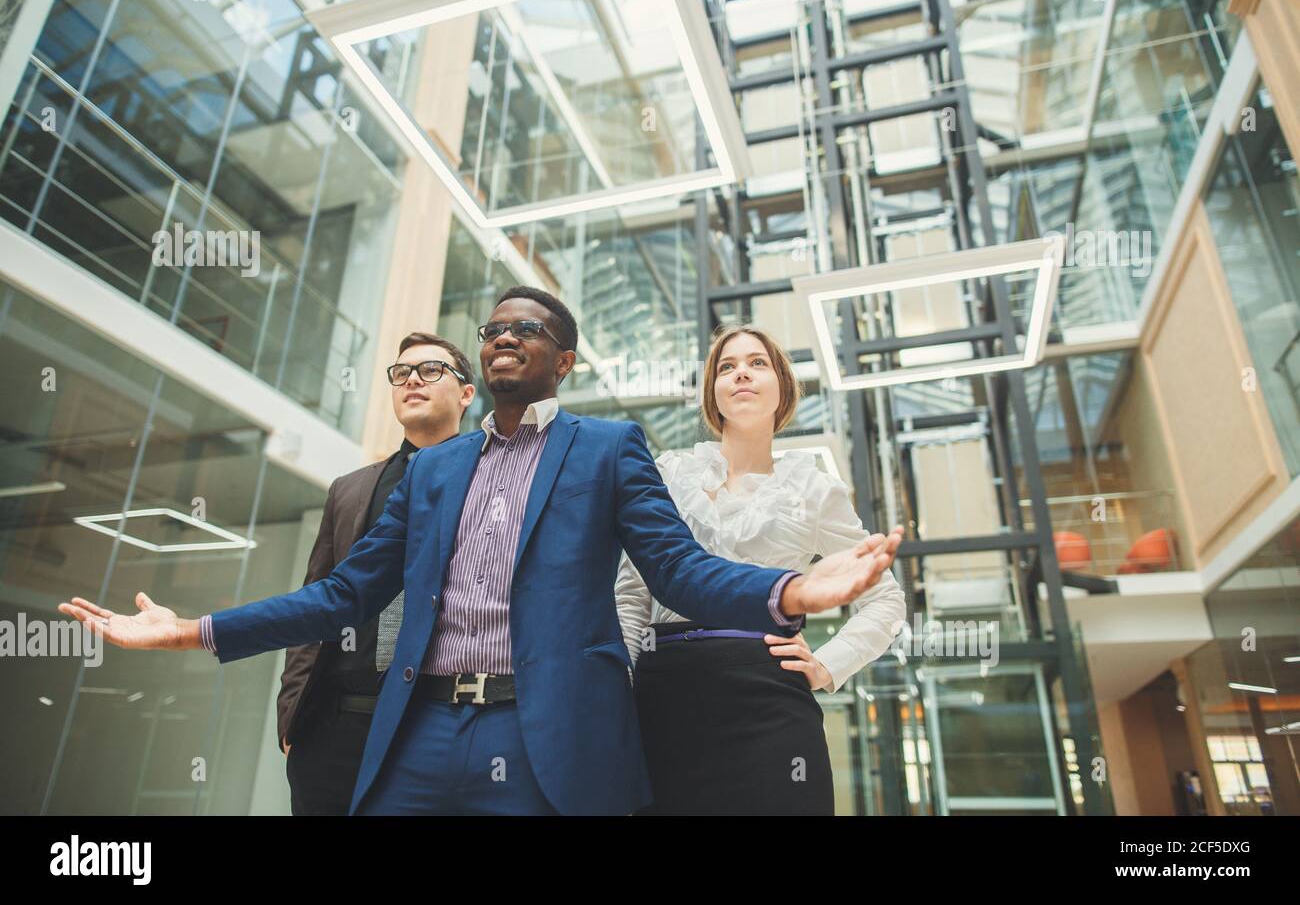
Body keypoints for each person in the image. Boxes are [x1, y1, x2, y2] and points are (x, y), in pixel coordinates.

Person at [60, 286, 903, 816]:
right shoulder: (437, 470)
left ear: (562, 361)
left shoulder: (609, 448)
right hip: (420, 731)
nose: (504, 335)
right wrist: (197, 630)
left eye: (527, 327)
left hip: (540, 739)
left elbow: (677, 570)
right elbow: (345, 593)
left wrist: (795, 592)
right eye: (494, 326)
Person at [616, 325, 907, 815]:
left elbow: (886, 599)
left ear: (782, 388)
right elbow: (630, 595)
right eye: (726, 367)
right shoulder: (667, 474)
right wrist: (617, 689)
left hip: (770, 700)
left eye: (757, 363)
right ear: (713, 393)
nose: (741, 374)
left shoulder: (815, 489)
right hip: (662, 695)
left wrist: (828, 665)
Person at [278, 332, 475, 815]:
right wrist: (291, 714)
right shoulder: (350, 489)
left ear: (467, 392)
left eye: (431, 370)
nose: (413, 380)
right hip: (335, 723)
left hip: (432, 719)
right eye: (402, 373)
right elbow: (316, 598)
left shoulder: (489, 480)